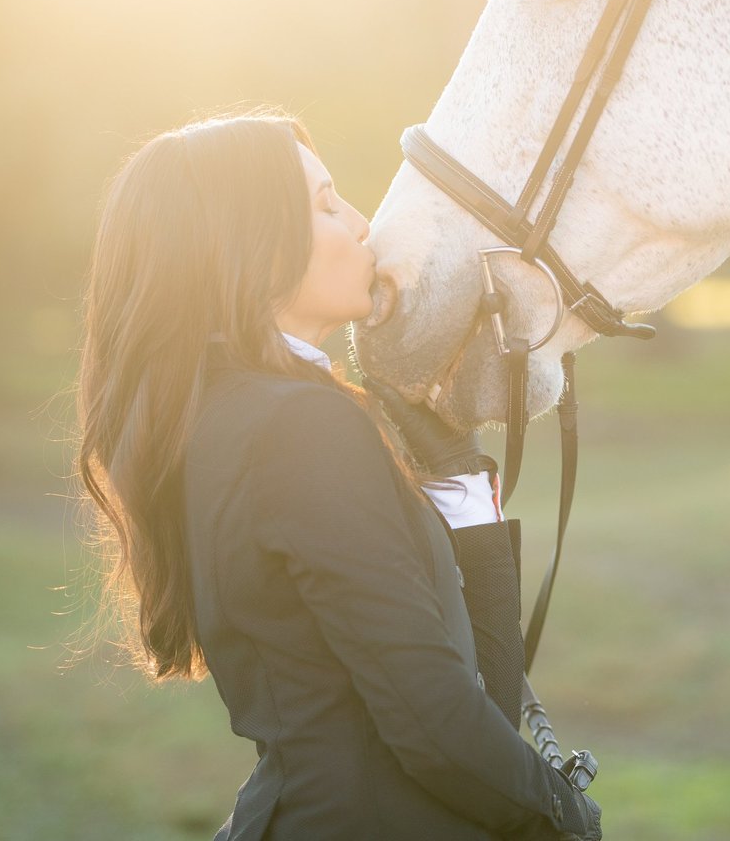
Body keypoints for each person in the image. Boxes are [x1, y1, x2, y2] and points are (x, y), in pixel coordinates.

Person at [75, 112, 601, 840]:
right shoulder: (300, 427)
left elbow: (475, 688)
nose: (360, 224)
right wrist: (562, 810)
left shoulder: (226, 416)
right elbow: (432, 720)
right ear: (249, 245)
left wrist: (453, 472)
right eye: (325, 205)